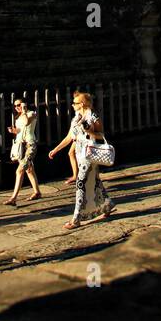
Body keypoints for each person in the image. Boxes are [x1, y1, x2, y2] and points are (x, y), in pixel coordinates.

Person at [49, 90, 114, 229]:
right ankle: (107, 206)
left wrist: (89, 131)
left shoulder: (93, 116)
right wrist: (56, 149)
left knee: (80, 183)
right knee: (95, 181)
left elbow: (101, 134)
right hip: (79, 153)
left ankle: (76, 218)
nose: (72, 105)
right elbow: (69, 137)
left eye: (75, 103)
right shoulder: (76, 118)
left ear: (82, 104)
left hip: (89, 153)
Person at [6, 97, 42, 205]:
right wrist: (13, 131)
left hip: (30, 145)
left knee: (20, 170)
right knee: (29, 169)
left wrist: (25, 110)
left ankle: (13, 198)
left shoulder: (31, 113)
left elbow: (27, 122)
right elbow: (20, 131)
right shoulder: (18, 117)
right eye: (15, 106)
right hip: (21, 146)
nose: (17, 107)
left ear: (25, 104)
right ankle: (37, 192)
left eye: (19, 105)